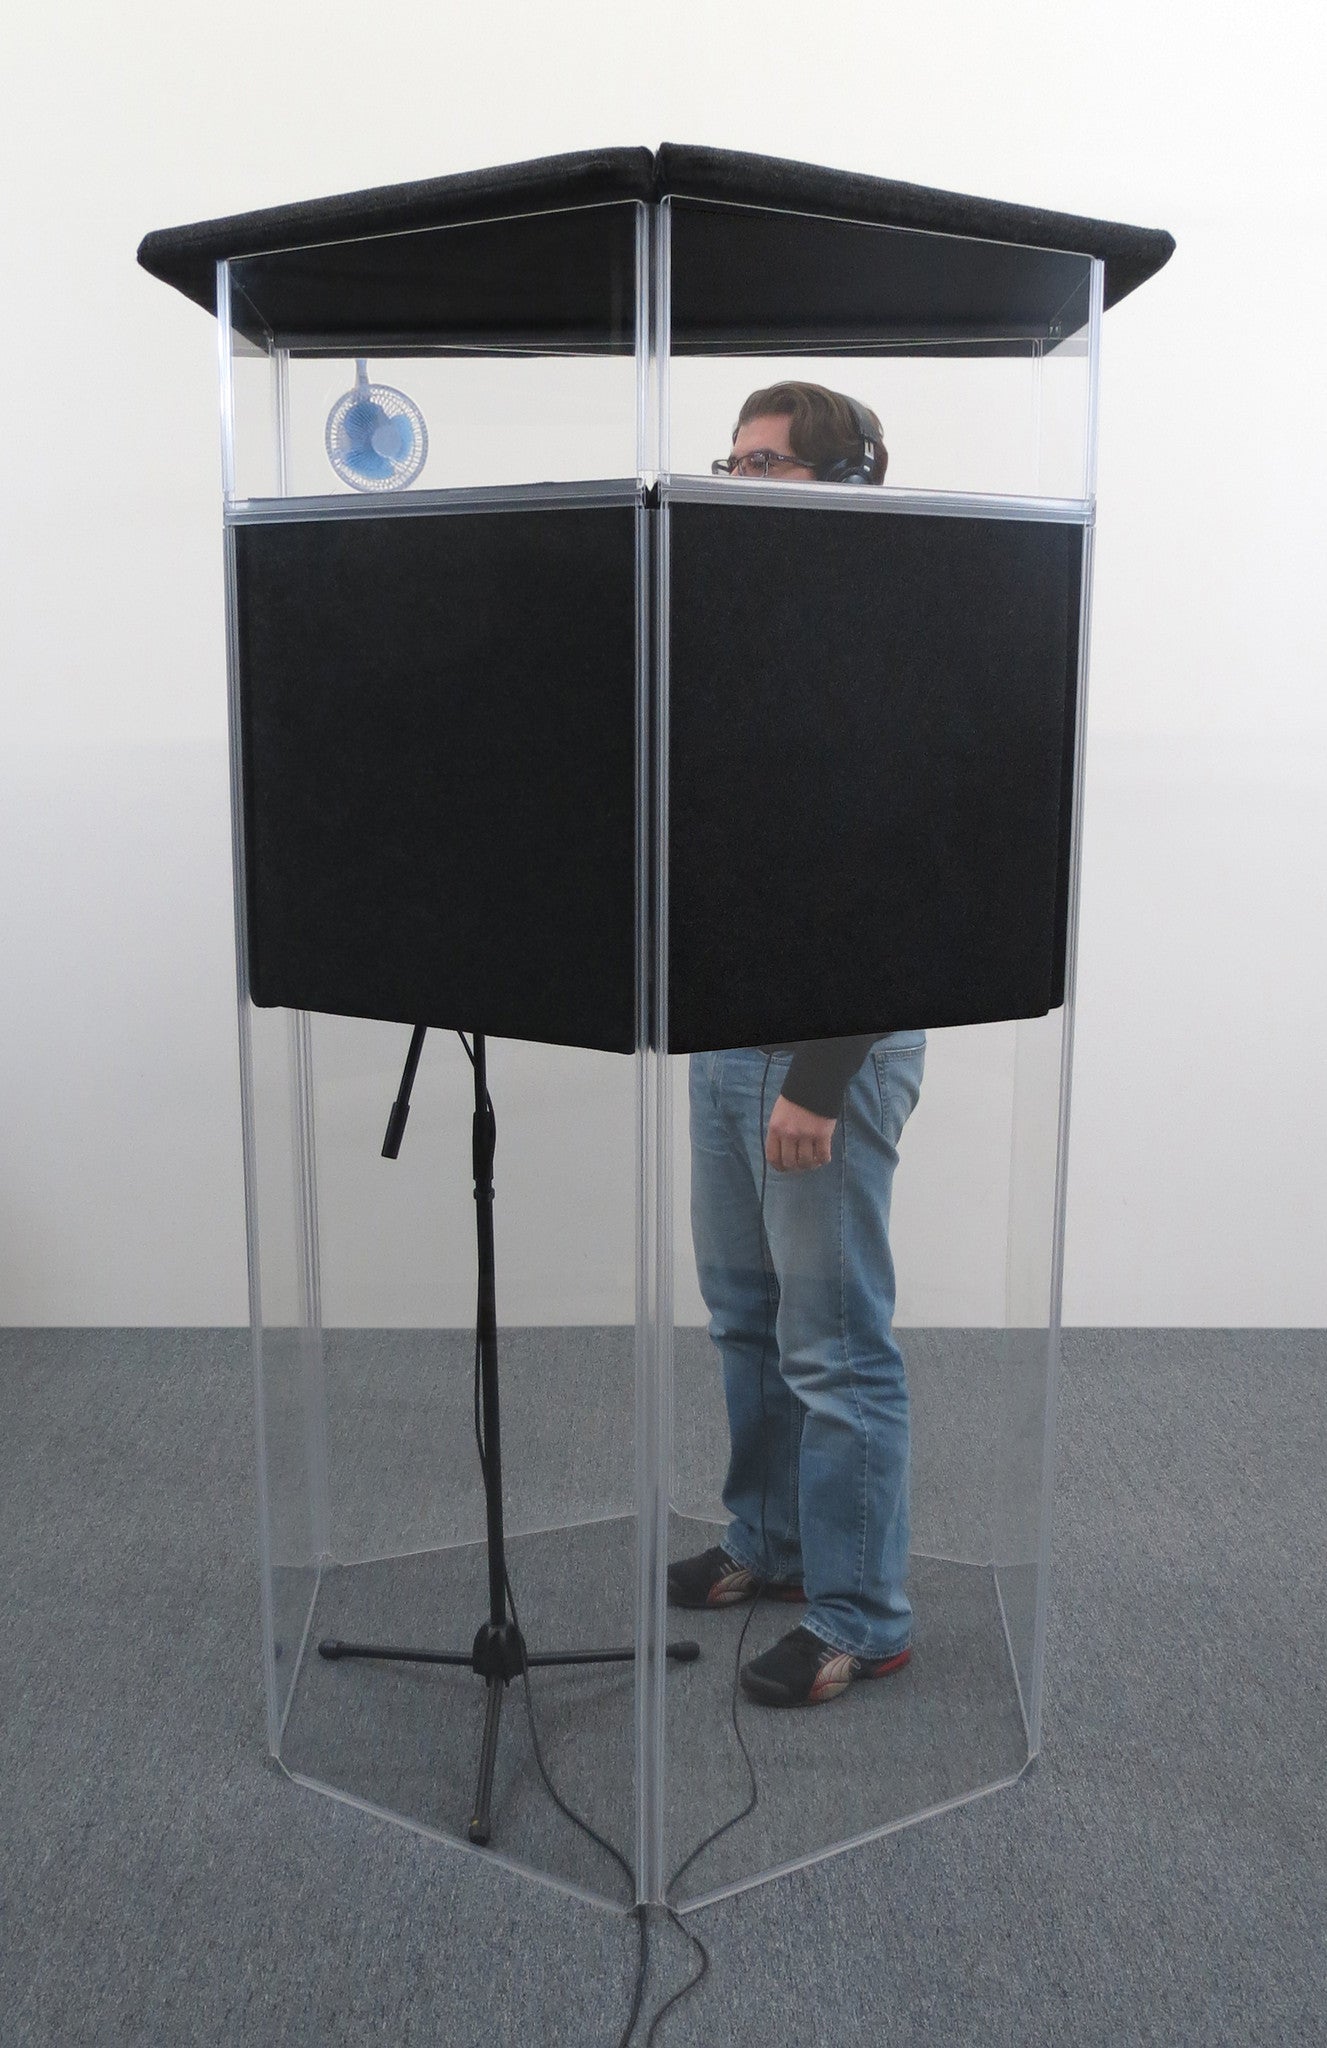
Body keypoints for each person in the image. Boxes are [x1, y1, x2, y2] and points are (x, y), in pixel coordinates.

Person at [667, 381, 926, 1708]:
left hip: (829, 1045)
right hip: (726, 1031)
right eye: (732, 457)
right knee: (746, 1317)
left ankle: (863, 1612)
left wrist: (821, 1076)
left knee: (833, 1343)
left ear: (850, 478)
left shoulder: (881, 641)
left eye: (763, 464)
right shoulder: (746, 632)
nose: (735, 477)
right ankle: (769, 1545)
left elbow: (898, 877)